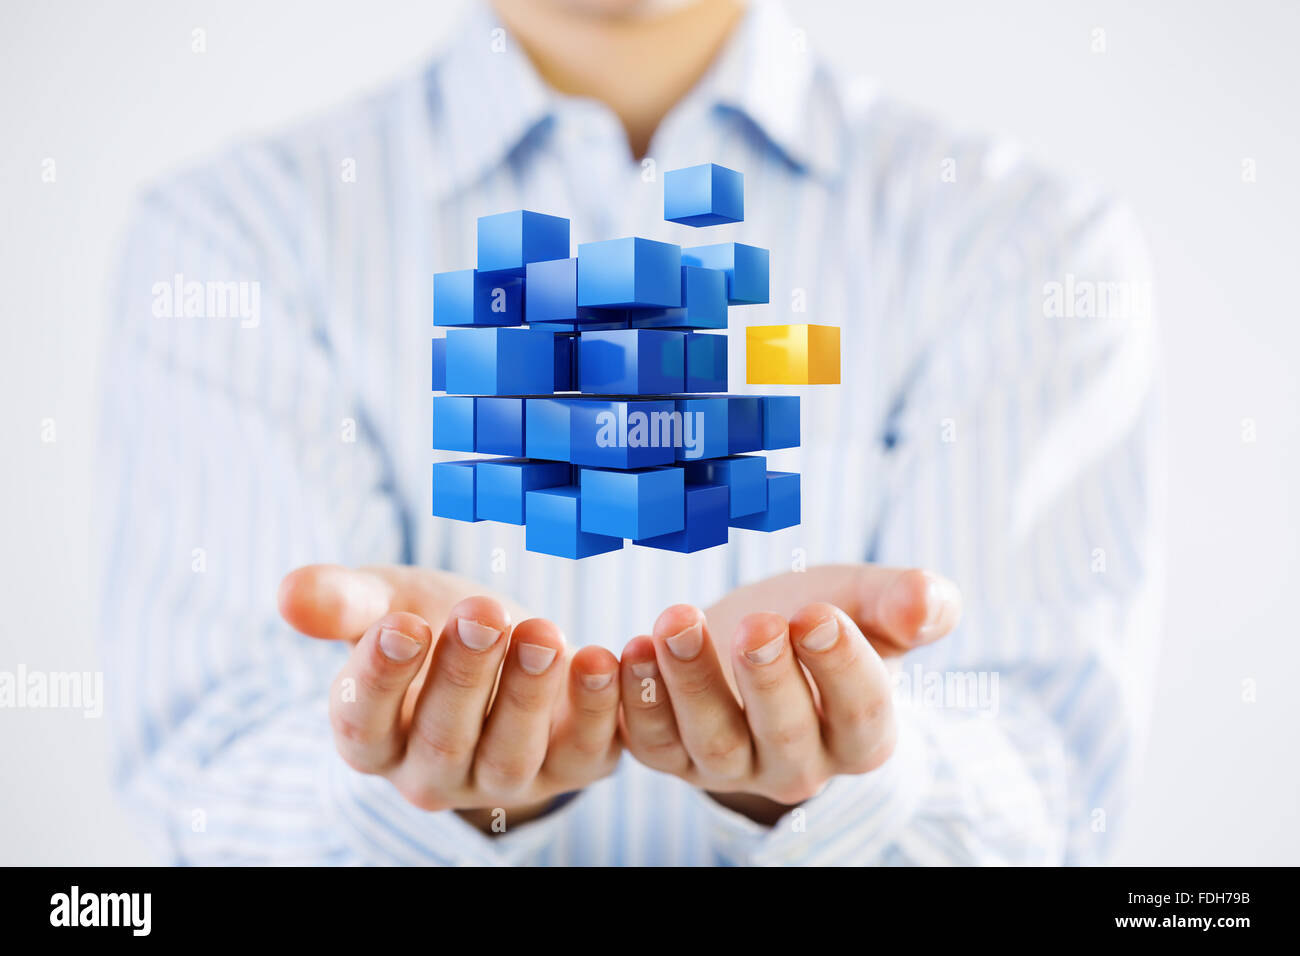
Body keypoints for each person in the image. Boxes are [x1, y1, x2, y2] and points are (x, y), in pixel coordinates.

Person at [97, 0, 1161, 865]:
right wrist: (415, 785)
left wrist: (848, 779)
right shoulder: (233, 236)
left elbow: (1052, 794)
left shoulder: (1026, 240)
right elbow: (208, 789)